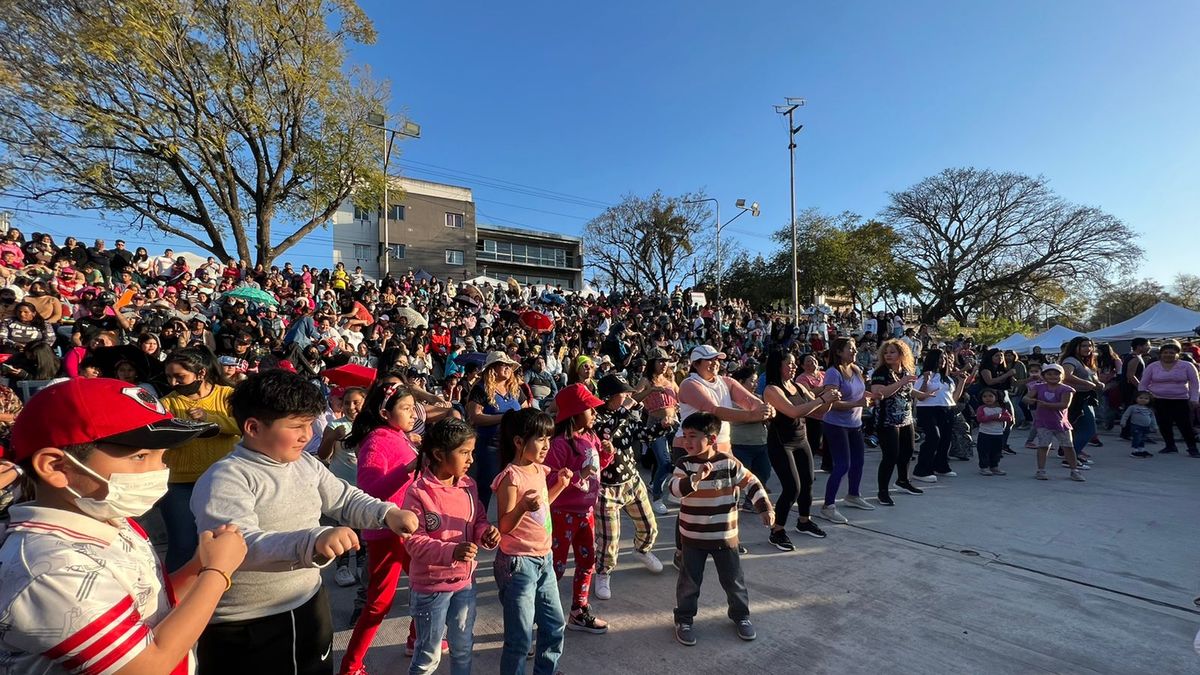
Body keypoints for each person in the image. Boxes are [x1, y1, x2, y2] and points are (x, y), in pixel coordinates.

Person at [0, 377, 245, 673]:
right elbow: (146, 666)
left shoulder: (108, 518)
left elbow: (152, 605)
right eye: (140, 456)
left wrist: (198, 566)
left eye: (162, 456)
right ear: (55, 466)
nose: (159, 470)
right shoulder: (49, 569)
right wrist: (218, 573)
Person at [191, 370, 419, 675]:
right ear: (253, 427)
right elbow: (237, 546)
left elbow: (345, 499)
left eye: (310, 424)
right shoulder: (226, 478)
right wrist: (312, 541)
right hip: (248, 623)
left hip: (309, 602)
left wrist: (387, 514)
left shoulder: (306, 464)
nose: (308, 435)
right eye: (297, 426)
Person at [402, 417, 501, 675]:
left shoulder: (468, 485)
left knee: (463, 646)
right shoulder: (418, 492)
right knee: (428, 655)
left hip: (464, 584)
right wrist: (451, 551)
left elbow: (477, 518)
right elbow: (414, 542)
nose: (470, 460)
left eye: (472, 453)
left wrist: (485, 533)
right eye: (464, 453)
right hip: (430, 588)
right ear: (438, 454)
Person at [669, 412, 772, 647]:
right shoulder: (684, 464)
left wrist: (763, 507)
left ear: (712, 439)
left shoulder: (728, 463)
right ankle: (684, 619)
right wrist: (693, 480)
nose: (687, 442)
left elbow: (751, 482)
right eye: (684, 436)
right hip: (692, 536)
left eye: (693, 436)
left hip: (725, 536)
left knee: (733, 580)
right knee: (689, 582)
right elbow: (674, 489)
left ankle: (741, 616)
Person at [340, 382, 423, 672]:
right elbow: (370, 490)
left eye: (414, 407)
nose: (413, 413)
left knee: (426, 586)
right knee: (378, 603)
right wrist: (408, 469)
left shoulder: (399, 435)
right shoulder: (376, 441)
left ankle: (418, 639)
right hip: (387, 531)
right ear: (385, 412)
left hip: (410, 528)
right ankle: (351, 665)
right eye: (406, 408)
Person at [492, 408, 570, 675]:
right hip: (518, 563)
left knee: (554, 625)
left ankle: (546, 670)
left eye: (549, 438)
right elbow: (504, 525)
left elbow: (542, 506)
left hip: (544, 558)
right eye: (540, 439)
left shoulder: (538, 469)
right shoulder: (511, 477)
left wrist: (559, 485)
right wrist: (522, 506)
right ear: (518, 441)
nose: (546, 445)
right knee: (520, 638)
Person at [159, 347, 240, 572]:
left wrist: (211, 420)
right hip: (179, 483)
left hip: (222, 480)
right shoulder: (166, 404)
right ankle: (177, 599)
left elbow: (244, 428)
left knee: (224, 540)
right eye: (169, 377)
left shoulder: (228, 395)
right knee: (183, 545)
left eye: (180, 377)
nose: (173, 383)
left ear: (201, 374)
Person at [545, 383, 610, 633]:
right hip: (563, 514)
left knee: (587, 561)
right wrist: (578, 475)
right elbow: (550, 480)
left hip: (586, 513)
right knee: (556, 567)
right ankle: (541, 614)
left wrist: (604, 456)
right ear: (574, 413)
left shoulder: (590, 438)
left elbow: (594, 470)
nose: (595, 413)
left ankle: (578, 610)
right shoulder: (559, 444)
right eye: (589, 408)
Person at [592, 373, 662, 602]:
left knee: (649, 526)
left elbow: (643, 434)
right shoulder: (595, 419)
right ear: (610, 396)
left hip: (632, 482)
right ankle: (603, 573)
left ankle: (641, 550)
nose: (628, 395)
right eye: (624, 392)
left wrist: (663, 426)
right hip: (606, 489)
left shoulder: (627, 415)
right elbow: (607, 439)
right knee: (609, 539)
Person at [761, 349, 836, 549]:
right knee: (792, 487)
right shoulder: (772, 390)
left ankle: (804, 521)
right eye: (790, 363)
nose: (794, 366)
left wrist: (830, 401)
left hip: (801, 440)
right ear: (778, 366)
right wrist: (822, 399)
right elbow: (793, 411)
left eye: (794, 363)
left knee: (808, 482)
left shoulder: (798, 387)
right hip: (781, 444)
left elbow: (818, 410)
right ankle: (777, 530)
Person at [818, 337, 875, 524]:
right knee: (842, 465)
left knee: (858, 462)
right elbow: (831, 403)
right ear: (838, 352)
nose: (854, 351)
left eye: (854, 348)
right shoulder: (833, 373)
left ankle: (853, 495)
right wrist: (857, 403)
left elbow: (860, 393)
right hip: (836, 424)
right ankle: (828, 506)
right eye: (850, 348)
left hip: (855, 423)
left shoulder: (857, 369)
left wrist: (872, 396)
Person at [466, 351, 528, 509]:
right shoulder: (481, 389)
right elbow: (475, 417)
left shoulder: (514, 389)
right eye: (503, 365)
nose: (508, 368)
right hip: (490, 443)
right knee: (487, 486)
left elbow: (526, 412)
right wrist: (504, 418)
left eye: (509, 366)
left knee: (513, 485)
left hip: (513, 445)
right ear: (492, 368)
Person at [870, 339, 928, 506]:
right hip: (887, 420)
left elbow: (907, 390)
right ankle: (883, 491)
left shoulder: (905, 370)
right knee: (890, 456)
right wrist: (902, 382)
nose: (888, 355)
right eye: (886, 352)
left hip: (905, 417)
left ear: (902, 354)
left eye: (892, 352)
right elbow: (879, 392)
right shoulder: (881, 372)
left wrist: (923, 394)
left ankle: (903, 481)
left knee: (908, 451)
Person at [632, 348, 679, 514]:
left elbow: (681, 397)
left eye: (666, 361)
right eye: (660, 361)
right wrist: (649, 391)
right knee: (664, 462)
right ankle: (657, 497)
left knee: (681, 458)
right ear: (652, 363)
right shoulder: (646, 380)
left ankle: (663, 486)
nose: (664, 364)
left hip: (673, 422)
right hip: (655, 425)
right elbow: (632, 399)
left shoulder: (670, 379)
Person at [1023, 364, 1085, 482]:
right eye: (1049, 374)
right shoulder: (1038, 387)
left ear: (1062, 375)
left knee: (1068, 447)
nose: (1053, 376)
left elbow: (1064, 405)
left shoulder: (1066, 389)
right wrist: (1029, 400)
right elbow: (1026, 398)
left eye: (1056, 374)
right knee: (1043, 446)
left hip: (1061, 423)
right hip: (1043, 423)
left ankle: (1074, 470)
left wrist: (1046, 405)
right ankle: (1041, 470)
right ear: (1044, 376)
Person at [1139, 339, 1200, 456]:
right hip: (1158, 399)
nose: (1168, 355)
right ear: (1160, 354)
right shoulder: (1153, 366)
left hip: (1180, 400)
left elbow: (1195, 383)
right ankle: (1170, 446)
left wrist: (1194, 398)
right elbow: (1143, 383)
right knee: (1164, 424)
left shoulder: (1187, 366)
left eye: (1172, 353)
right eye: (1165, 352)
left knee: (1185, 425)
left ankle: (1192, 448)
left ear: (1178, 354)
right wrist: (1144, 397)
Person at [912, 348, 964, 484]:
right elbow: (919, 396)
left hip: (947, 408)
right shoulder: (924, 376)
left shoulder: (947, 379)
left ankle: (940, 466)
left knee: (946, 439)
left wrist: (962, 383)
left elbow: (954, 398)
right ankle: (921, 471)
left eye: (945, 358)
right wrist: (926, 380)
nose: (943, 361)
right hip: (928, 409)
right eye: (940, 358)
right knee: (934, 437)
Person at [975, 389, 1013, 475]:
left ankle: (994, 466)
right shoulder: (982, 408)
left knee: (996, 451)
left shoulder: (1001, 409)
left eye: (990, 396)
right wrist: (991, 417)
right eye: (984, 396)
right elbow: (980, 419)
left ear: (996, 397)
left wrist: (1000, 417)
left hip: (998, 433)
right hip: (984, 434)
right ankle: (984, 467)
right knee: (984, 451)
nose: (987, 398)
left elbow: (1009, 418)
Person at [1121, 391, 1156, 459]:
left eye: (1146, 398)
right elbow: (1126, 415)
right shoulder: (1132, 407)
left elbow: (1153, 418)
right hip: (1136, 426)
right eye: (1141, 398)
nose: (1143, 399)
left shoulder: (1149, 409)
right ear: (1136, 398)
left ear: (1149, 400)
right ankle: (1135, 450)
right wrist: (1123, 422)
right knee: (1137, 438)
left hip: (1146, 427)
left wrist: (1154, 426)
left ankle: (1141, 449)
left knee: (1143, 438)